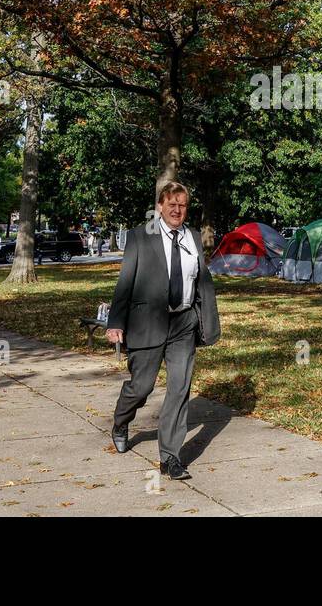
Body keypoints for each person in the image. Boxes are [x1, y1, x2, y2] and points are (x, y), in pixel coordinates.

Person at [106, 181, 220, 480]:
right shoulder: (140, 236)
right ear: (159, 206)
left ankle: (170, 457)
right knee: (141, 386)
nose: (176, 209)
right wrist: (116, 322)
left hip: (183, 323)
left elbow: (200, 282)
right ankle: (121, 421)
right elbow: (125, 281)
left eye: (182, 205)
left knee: (180, 388)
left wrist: (204, 317)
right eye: (171, 204)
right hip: (147, 322)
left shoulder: (193, 237)